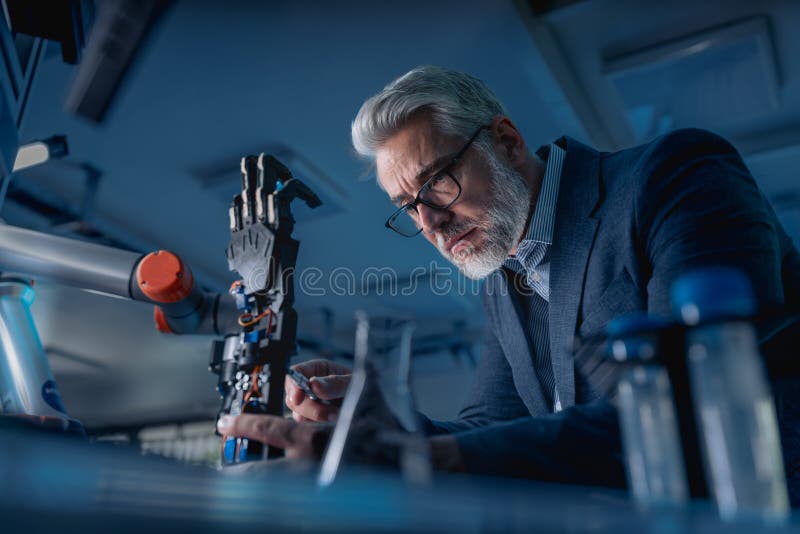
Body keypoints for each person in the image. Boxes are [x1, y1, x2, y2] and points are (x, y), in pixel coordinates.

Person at [217, 66, 800, 496]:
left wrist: (413, 460)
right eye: (409, 207)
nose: (430, 223)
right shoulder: (503, 277)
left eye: (437, 182)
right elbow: (490, 427)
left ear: (507, 141)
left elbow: (695, 406)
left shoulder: (675, 175)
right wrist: (384, 424)